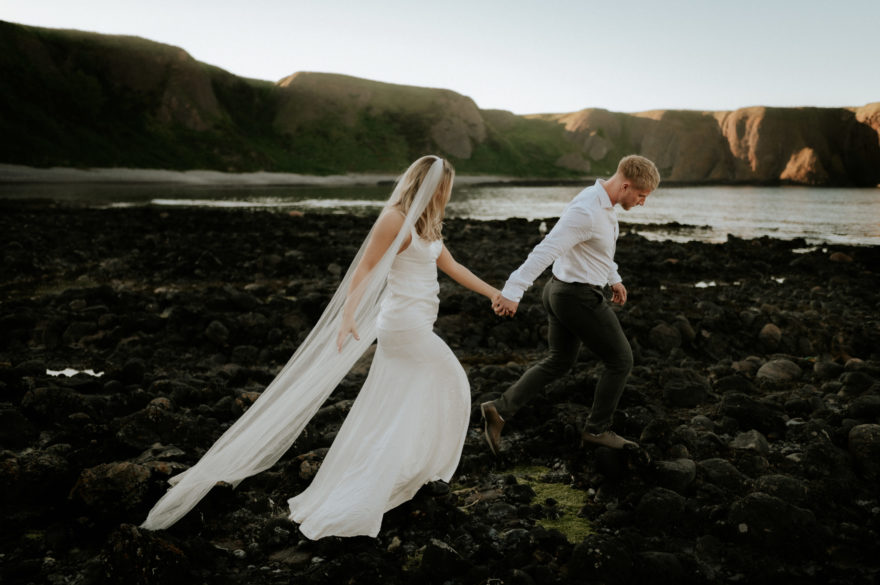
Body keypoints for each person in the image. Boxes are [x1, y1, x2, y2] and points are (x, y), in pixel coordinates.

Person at [141, 156, 501, 539]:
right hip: (404, 326)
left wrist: (494, 292)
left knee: (401, 401)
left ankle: (404, 470)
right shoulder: (395, 218)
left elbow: (452, 265)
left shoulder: (426, 223)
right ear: (429, 185)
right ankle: (397, 475)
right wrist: (348, 315)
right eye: (444, 186)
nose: (445, 193)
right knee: (452, 382)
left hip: (417, 322)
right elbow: (365, 268)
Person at [482, 154, 660, 455]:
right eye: (641, 196)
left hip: (561, 291)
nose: (643, 202)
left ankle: (499, 410)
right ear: (626, 184)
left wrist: (614, 277)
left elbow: (596, 251)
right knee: (621, 360)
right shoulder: (587, 209)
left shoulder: (601, 203)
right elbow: (546, 248)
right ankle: (597, 430)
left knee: (559, 360)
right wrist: (513, 290)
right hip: (576, 297)